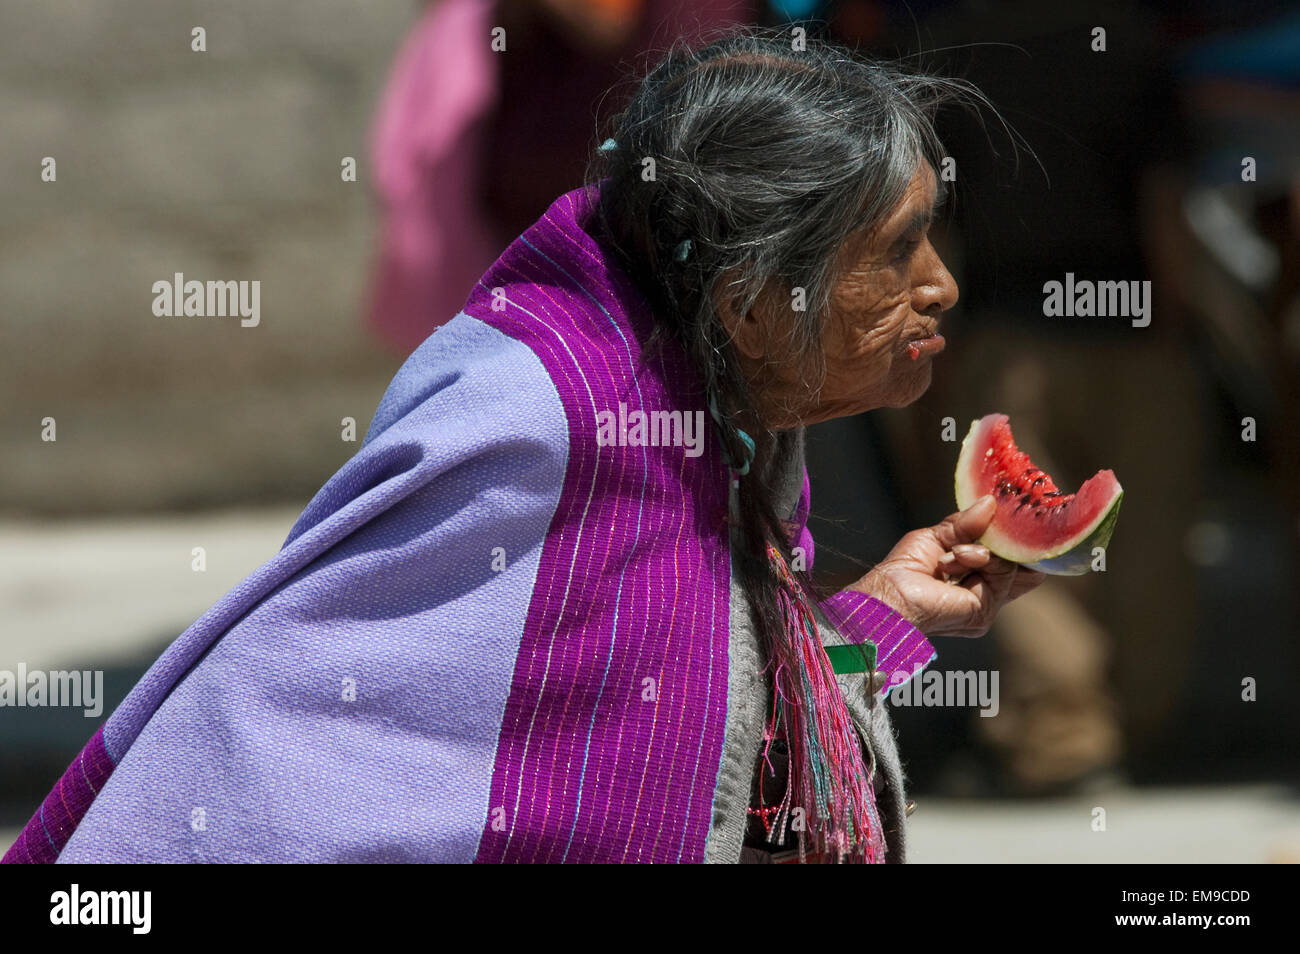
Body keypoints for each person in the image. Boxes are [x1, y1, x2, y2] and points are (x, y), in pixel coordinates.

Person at [4, 29, 1042, 865]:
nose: (940, 284)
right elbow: (310, 748)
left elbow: (711, 746)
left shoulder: (695, 421)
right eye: (898, 246)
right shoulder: (539, 441)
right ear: (756, 306)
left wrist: (885, 616)